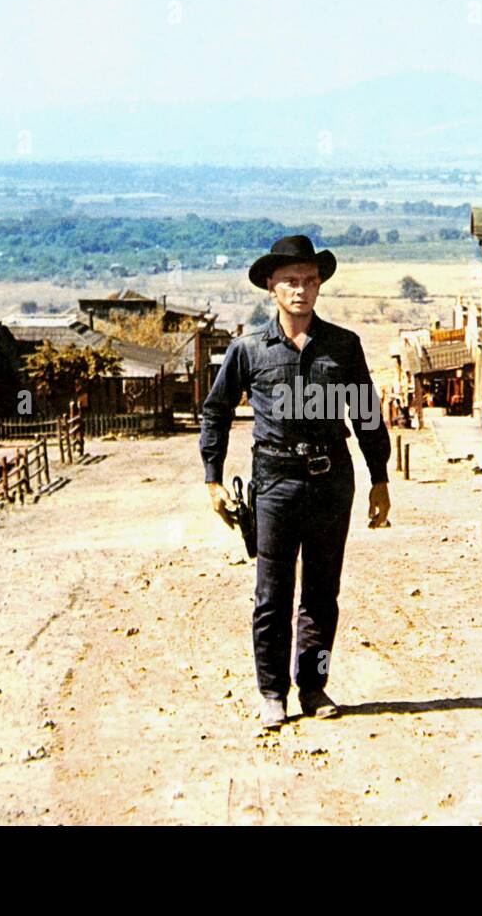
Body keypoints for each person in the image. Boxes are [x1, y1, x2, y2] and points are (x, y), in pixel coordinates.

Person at [199, 234, 391, 730]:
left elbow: (367, 414)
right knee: (272, 596)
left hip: (332, 483)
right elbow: (215, 411)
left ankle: (313, 686)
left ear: (320, 284)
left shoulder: (343, 347)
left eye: (309, 280)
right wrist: (212, 479)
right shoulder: (248, 350)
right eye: (290, 281)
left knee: (323, 594)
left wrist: (380, 478)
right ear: (271, 287)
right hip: (275, 484)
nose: (300, 289)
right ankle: (271, 693)